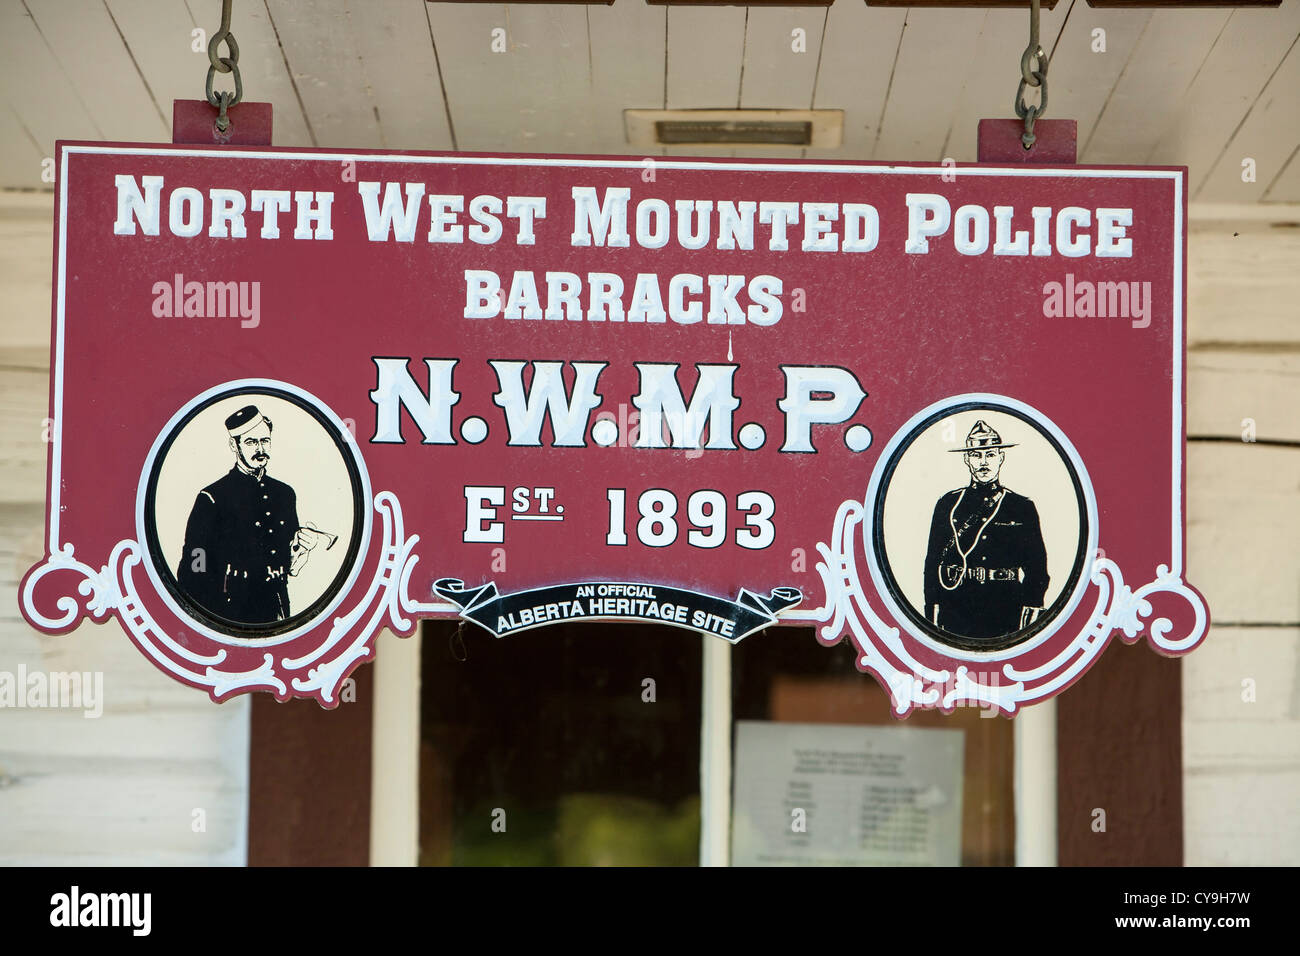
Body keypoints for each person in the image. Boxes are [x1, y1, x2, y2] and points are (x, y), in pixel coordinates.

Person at [176, 405, 317, 627]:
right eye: (251, 442)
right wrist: (211, 617)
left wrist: (300, 552)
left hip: (277, 607)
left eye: (265, 441)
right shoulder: (211, 497)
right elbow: (195, 566)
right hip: (230, 609)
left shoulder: (285, 494)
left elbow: (287, 562)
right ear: (235, 444)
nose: (260, 449)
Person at [922, 420, 1049, 643]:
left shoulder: (1021, 507)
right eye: (976, 455)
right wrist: (932, 618)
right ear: (966, 459)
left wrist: (1028, 622)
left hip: (1006, 606)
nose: (983, 462)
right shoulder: (948, 504)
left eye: (990, 455)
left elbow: (1037, 571)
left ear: (1001, 457)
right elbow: (932, 566)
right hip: (957, 607)